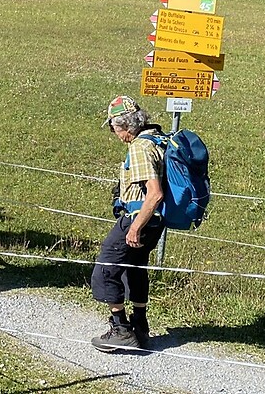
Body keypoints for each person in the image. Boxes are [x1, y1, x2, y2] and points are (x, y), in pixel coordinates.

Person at [91, 95, 167, 352]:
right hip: (157, 222)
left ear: (124, 125)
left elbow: (155, 193)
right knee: (135, 267)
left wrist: (135, 227)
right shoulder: (158, 139)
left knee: (106, 266)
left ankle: (121, 329)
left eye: (113, 127)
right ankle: (141, 326)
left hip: (138, 219)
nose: (114, 133)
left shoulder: (140, 148)